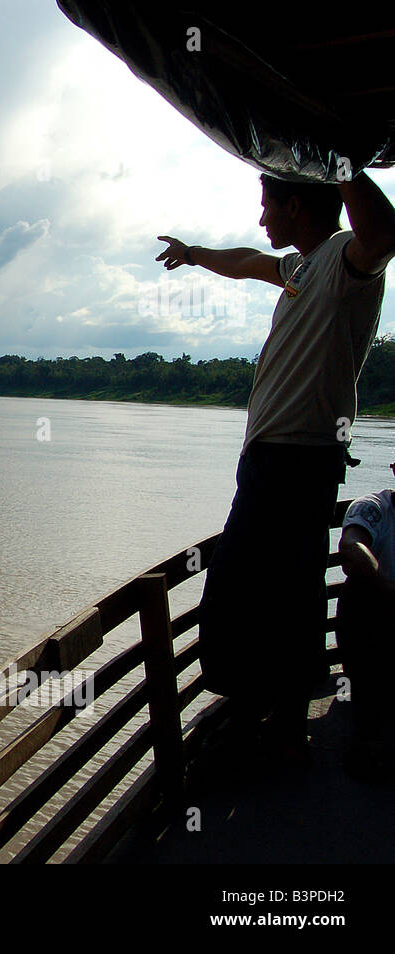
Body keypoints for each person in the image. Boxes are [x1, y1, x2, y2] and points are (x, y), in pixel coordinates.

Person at [155, 170, 395, 764]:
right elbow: (245, 261)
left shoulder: (343, 258)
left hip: (297, 456)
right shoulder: (301, 269)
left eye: (268, 208)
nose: (263, 221)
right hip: (276, 457)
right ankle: (276, 717)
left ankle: (271, 720)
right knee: (283, 587)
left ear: (296, 205)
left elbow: (384, 233)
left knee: (245, 586)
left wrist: (341, 164)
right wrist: (192, 254)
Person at [336, 466, 395, 780]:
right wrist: (386, 588)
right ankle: (367, 735)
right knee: (360, 588)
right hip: (378, 623)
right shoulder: (373, 507)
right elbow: (352, 547)